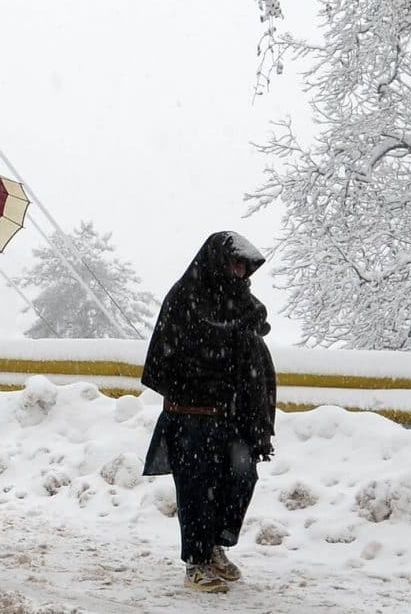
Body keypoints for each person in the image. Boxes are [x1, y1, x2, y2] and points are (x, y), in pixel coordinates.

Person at [142, 231, 277, 593]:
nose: (239, 273)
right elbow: (162, 360)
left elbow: (249, 350)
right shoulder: (185, 298)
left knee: (241, 474)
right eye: (234, 264)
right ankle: (195, 562)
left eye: (245, 268)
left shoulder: (242, 304)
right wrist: (204, 374)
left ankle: (215, 544)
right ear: (216, 261)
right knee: (197, 488)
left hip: (232, 415)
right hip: (190, 415)